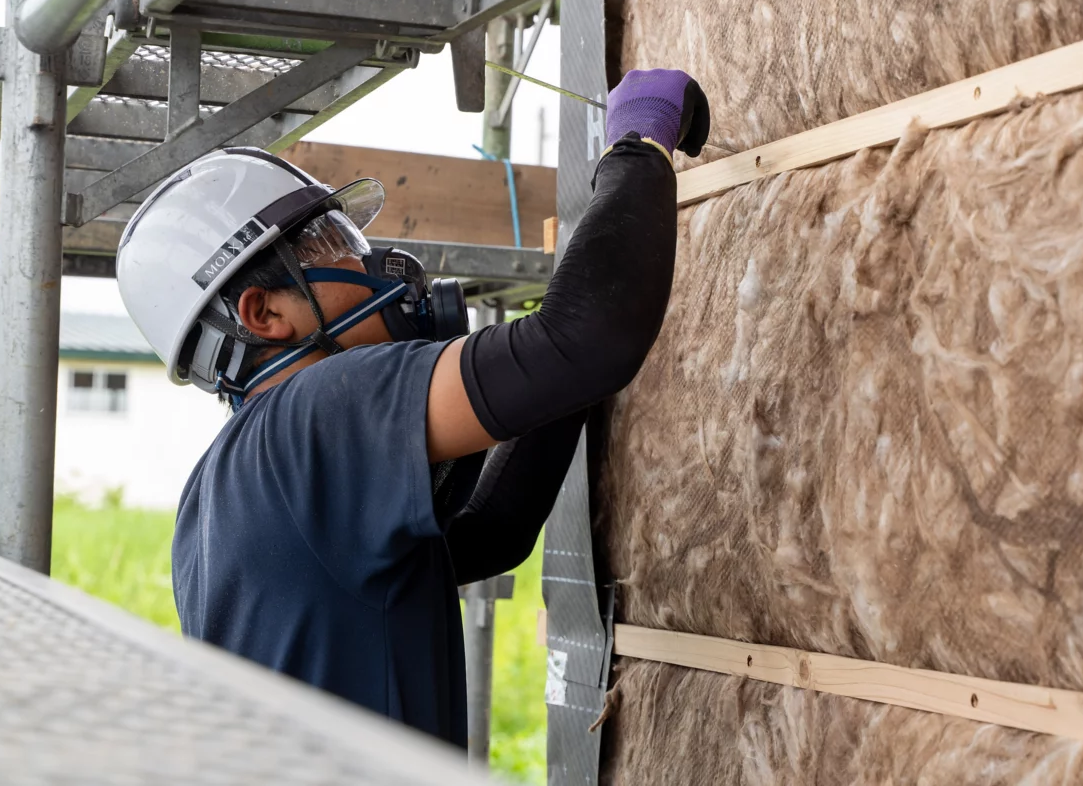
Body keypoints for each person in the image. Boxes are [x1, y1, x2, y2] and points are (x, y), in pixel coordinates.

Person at [116, 67, 710, 745]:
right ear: (262, 312)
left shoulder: (231, 484)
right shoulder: (318, 408)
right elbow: (590, 338)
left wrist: (559, 376)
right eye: (332, 246)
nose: (369, 263)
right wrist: (637, 140)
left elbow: (491, 533)